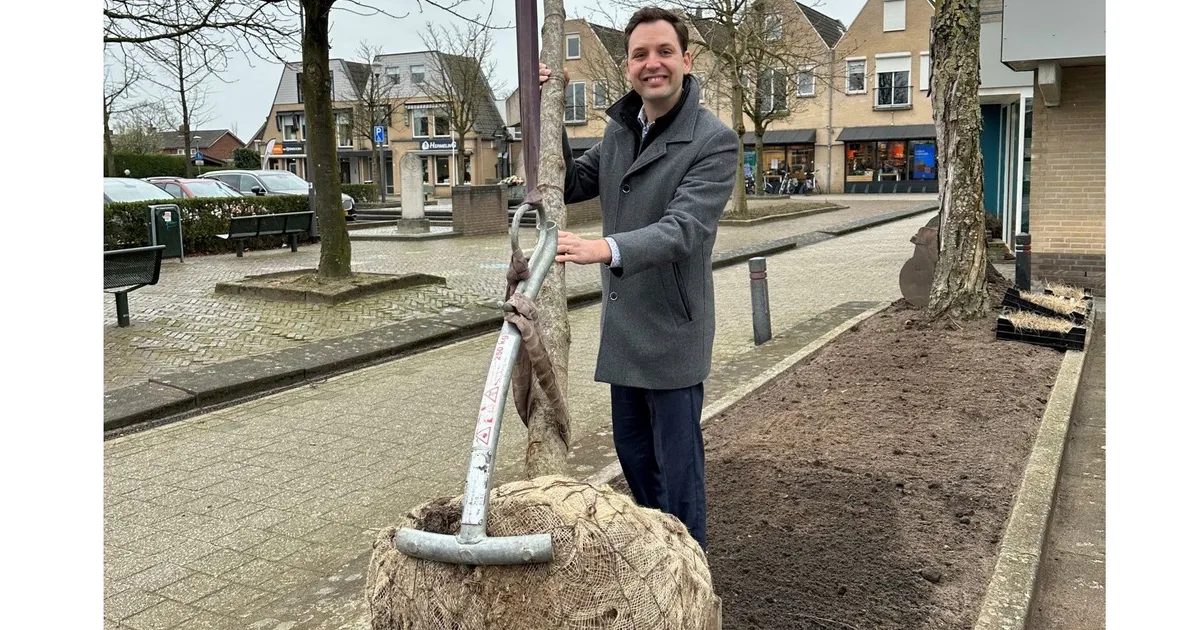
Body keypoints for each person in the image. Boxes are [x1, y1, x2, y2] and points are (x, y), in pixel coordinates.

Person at [539, 6, 738, 550]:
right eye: (640, 54)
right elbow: (572, 182)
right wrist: (548, 109)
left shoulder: (714, 141)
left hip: (672, 335)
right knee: (634, 461)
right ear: (628, 66)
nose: (653, 64)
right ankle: (659, 559)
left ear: (686, 60)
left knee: (679, 473)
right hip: (625, 335)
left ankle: (692, 571)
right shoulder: (621, 131)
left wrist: (605, 248)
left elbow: (684, 229)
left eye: (664, 52)